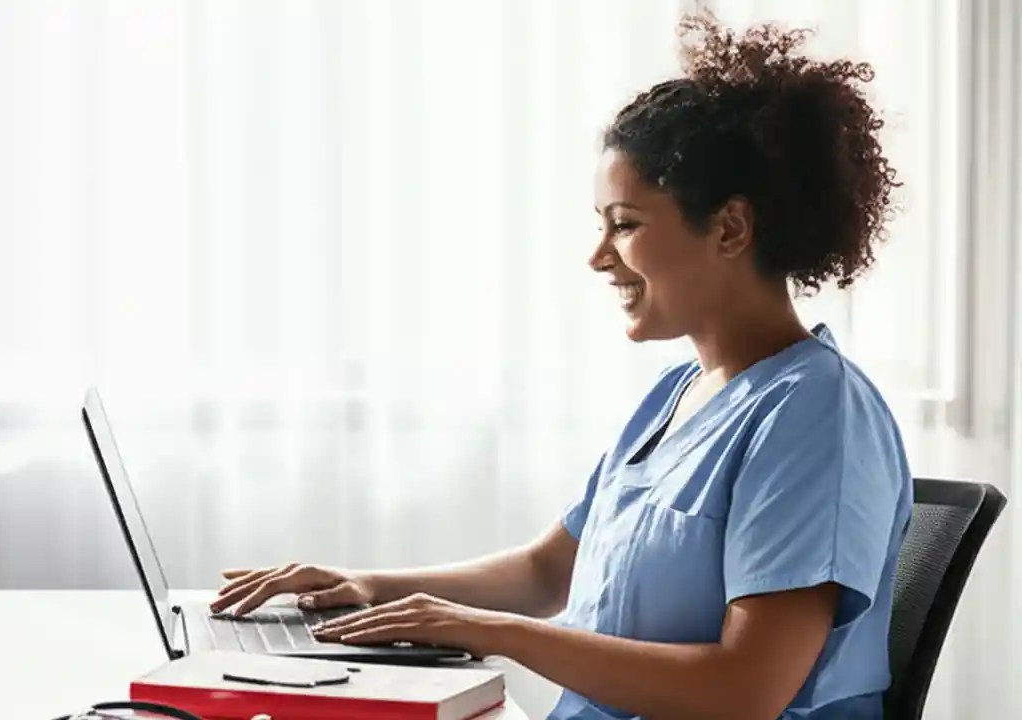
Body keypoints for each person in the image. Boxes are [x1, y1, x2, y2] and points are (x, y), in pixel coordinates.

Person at [210, 13, 911, 720]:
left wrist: (493, 634)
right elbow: (547, 571)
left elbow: (746, 690)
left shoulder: (817, 413)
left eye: (626, 224)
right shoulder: (679, 394)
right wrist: (369, 585)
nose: (599, 255)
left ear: (729, 228)